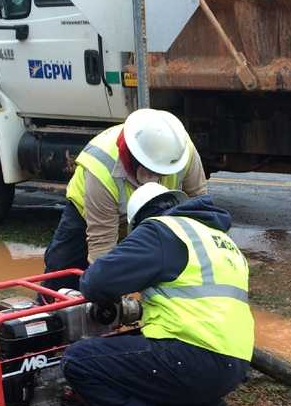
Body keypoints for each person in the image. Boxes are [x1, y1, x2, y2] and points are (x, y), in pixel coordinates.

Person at [61, 183, 253, 406]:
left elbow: (96, 282)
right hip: (235, 362)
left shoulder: (160, 231)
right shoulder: (218, 239)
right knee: (145, 360)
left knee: (79, 361)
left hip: (194, 357)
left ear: (140, 220)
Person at [43, 109, 208, 290]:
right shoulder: (101, 167)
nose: (155, 177)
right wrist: (104, 292)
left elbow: (199, 206)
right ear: (132, 157)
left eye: (160, 173)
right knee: (60, 274)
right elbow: (102, 246)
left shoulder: (180, 150)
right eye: (150, 170)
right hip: (88, 214)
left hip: (150, 211)